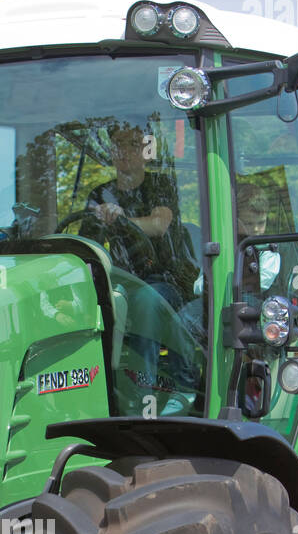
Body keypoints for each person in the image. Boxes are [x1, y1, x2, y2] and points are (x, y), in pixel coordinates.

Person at [79, 122, 204, 400]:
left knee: (146, 301)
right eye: (118, 145)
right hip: (118, 282)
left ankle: (145, 393)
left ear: (146, 151)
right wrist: (99, 219)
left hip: (165, 281)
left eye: (133, 144)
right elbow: (88, 247)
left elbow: (159, 224)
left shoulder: (160, 185)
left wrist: (121, 218)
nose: (124, 151)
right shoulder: (99, 195)